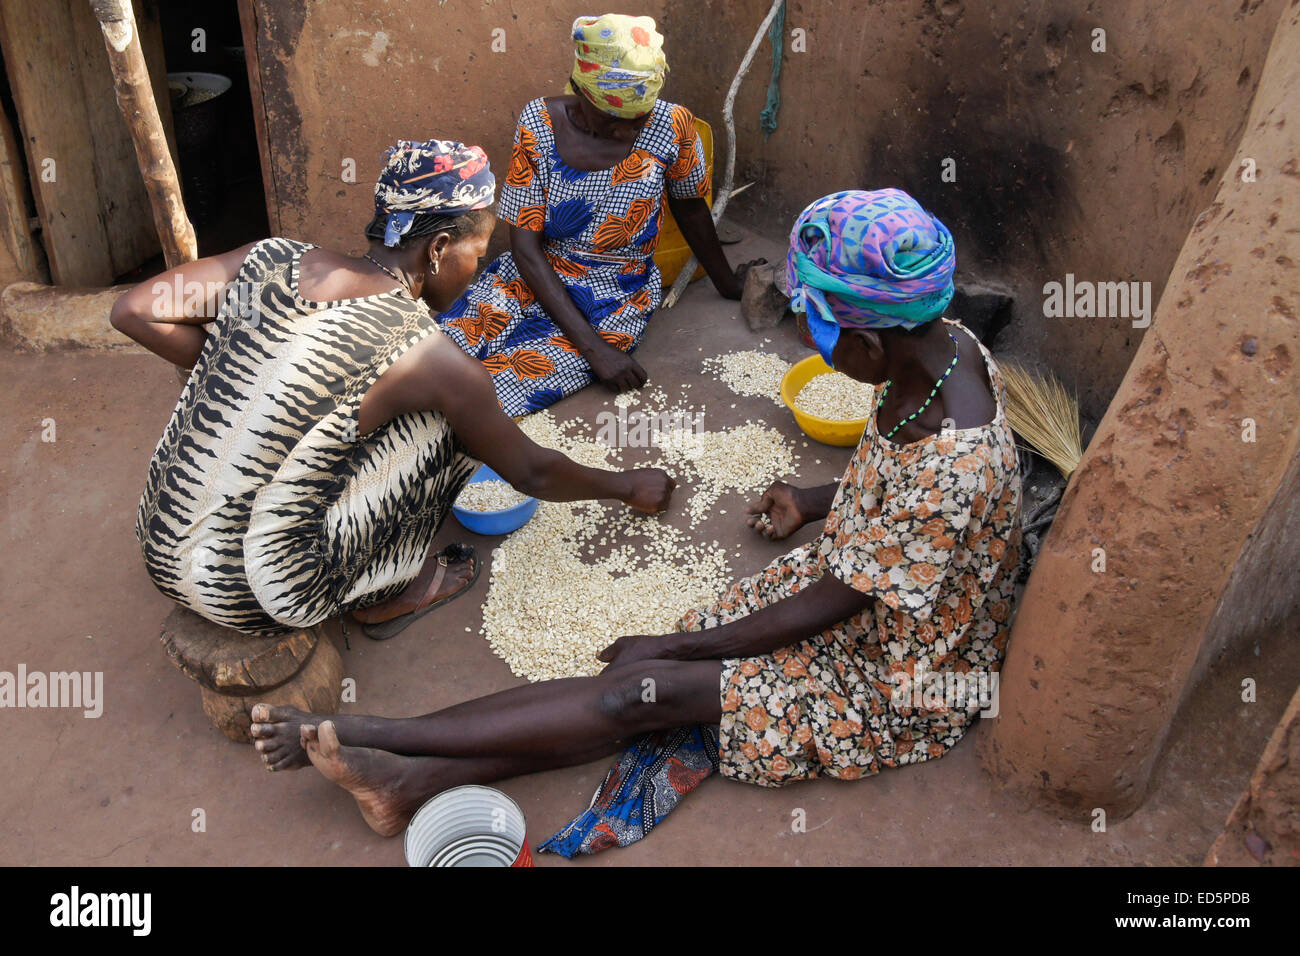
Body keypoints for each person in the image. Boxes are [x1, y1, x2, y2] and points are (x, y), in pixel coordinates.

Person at [248, 189, 1022, 854]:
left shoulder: (955, 461)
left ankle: (378, 734)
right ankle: (408, 780)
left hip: (897, 673)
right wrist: (818, 502)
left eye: (814, 327)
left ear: (864, 341)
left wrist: (675, 645)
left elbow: (845, 596)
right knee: (643, 685)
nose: (805, 339)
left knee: (639, 688)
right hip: (855, 580)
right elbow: (891, 502)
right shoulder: (942, 345)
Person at [113, 139, 674, 642]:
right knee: (453, 426)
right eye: (477, 256)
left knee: (345, 413)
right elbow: (532, 472)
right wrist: (625, 487)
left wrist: (240, 366)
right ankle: (394, 588)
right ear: (439, 248)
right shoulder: (428, 355)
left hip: (159, 542)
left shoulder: (273, 256)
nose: (477, 273)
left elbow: (133, 310)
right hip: (252, 595)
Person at [436, 13, 758, 416]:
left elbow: (691, 208)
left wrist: (727, 282)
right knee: (436, 356)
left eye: (639, 121)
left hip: (617, 291)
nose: (628, 133)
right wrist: (595, 351)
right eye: (615, 120)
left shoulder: (673, 125)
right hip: (532, 272)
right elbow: (525, 244)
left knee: (499, 390)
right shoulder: (538, 123)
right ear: (583, 94)